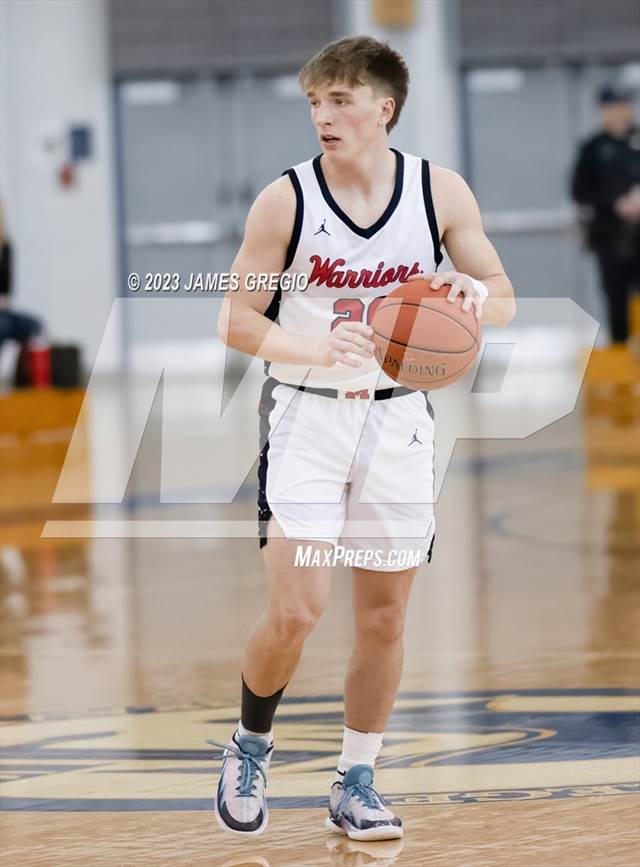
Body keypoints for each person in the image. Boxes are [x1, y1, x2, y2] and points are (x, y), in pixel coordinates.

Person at [211, 36, 515, 840]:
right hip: (309, 415)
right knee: (299, 610)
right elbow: (235, 320)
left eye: (340, 99)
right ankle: (251, 741)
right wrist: (312, 348)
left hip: (399, 420)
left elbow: (504, 297)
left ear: (385, 107)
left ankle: (356, 778)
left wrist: (469, 293)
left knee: (383, 618)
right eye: (315, 101)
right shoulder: (285, 201)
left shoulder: (438, 192)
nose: (323, 115)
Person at [571, 84, 640, 345]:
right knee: (616, 297)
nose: (620, 113)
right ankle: (621, 357)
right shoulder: (593, 148)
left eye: (625, 106)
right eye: (614, 107)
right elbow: (580, 192)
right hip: (610, 236)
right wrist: (614, 204)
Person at [0, 199, 43, 375]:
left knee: (33, 325)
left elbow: (6, 292)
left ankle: (24, 377)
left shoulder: (6, 249)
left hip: (3, 310)